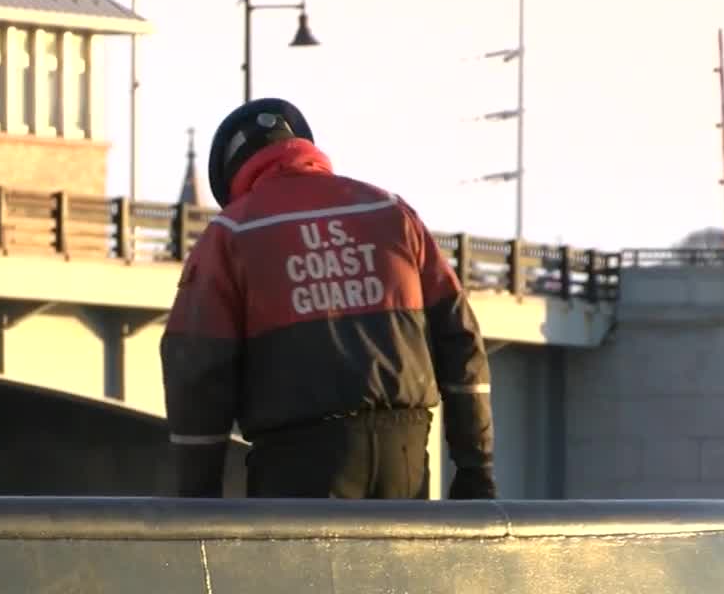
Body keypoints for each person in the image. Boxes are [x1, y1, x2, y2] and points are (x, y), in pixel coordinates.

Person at [160, 98, 496, 500]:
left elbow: (197, 369)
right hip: (404, 449)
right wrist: (475, 468)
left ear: (232, 176)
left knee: (305, 566)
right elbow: (460, 338)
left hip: (299, 460)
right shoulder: (389, 211)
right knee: (394, 565)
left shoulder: (232, 232)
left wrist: (199, 500)